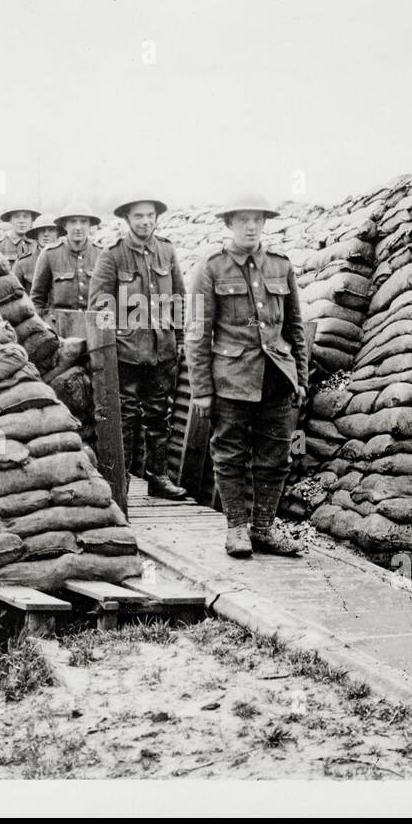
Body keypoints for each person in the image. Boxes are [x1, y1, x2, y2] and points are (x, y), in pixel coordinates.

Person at [185, 195, 308, 557]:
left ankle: (264, 529)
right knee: (230, 455)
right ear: (229, 224)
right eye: (243, 220)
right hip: (232, 379)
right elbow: (196, 332)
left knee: (276, 457)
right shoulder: (210, 268)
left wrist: (299, 377)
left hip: (276, 378)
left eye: (258, 220)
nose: (251, 226)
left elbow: (295, 327)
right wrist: (202, 391)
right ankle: (236, 529)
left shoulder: (281, 265)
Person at [89, 195, 189, 500]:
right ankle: (122, 482)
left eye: (150, 216)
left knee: (160, 414)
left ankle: (158, 477)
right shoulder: (113, 255)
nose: (145, 222)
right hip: (127, 353)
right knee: (127, 417)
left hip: (162, 351)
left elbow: (179, 299)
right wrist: (117, 338)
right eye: (138, 217)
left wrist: (180, 338)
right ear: (127, 220)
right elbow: (98, 305)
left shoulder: (167, 251)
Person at [29, 202, 101, 320]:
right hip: (59, 328)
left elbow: (110, 298)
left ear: (90, 225)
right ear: (64, 225)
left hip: (93, 326)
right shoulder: (49, 254)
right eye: (73, 222)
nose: (78, 227)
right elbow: (37, 299)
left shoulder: (101, 254)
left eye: (83, 222)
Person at [13, 214, 58, 292]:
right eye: (42, 230)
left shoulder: (68, 260)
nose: (46, 234)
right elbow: (16, 294)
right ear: (36, 235)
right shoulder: (22, 263)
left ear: (58, 234)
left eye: (51, 230)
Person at [0, 205, 41, 269]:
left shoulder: (39, 244)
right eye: (16, 217)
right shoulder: (0, 246)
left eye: (26, 217)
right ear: (10, 220)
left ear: (32, 220)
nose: (21, 221)